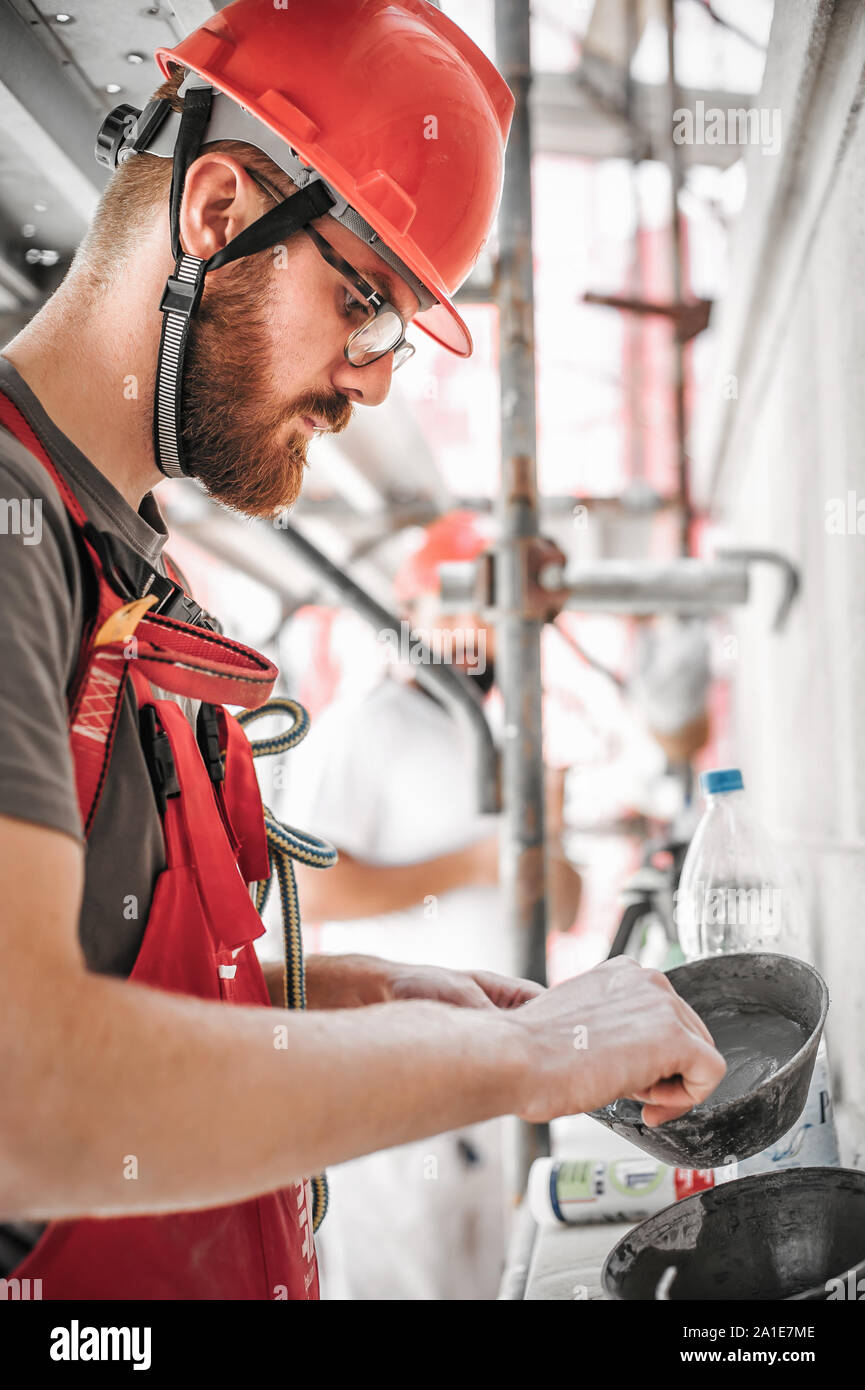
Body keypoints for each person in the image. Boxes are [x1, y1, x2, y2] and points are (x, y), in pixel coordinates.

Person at [0, 0, 725, 1300]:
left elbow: (141, 976)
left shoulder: (124, 557)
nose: (376, 379)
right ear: (217, 211)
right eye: (364, 303)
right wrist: (528, 1062)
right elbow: (25, 1098)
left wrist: (385, 994)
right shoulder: (12, 530)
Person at [285, 510, 583, 1299]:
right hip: (395, 1070)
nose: (474, 635)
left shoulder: (497, 737)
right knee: (408, 1283)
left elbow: (563, 906)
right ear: (406, 616)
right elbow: (312, 881)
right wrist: (477, 861)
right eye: (452, 609)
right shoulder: (362, 727)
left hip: (492, 1065)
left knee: (498, 1278)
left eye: (488, 616)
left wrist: (544, 842)